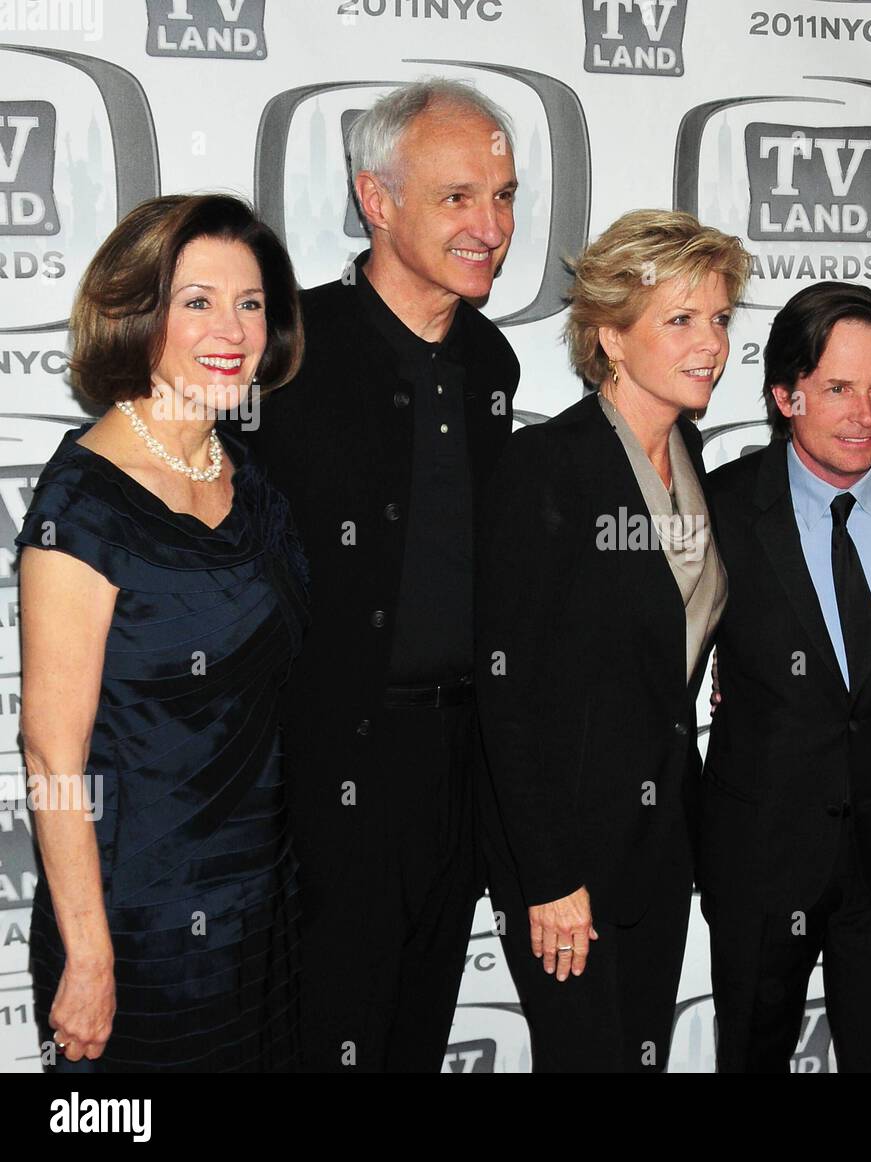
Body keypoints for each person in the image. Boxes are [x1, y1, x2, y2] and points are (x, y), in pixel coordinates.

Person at [245, 78, 520, 1072]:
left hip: (458, 771)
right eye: (458, 197)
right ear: (376, 199)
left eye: (503, 195)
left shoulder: (493, 365)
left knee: (417, 1032)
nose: (491, 226)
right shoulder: (285, 354)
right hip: (324, 776)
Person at [17, 193, 306, 1072]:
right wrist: (89, 957)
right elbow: (51, 756)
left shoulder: (248, 480)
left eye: (250, 303)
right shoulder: (84, 503)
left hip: (260, 910)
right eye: (198, 301)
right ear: (139, 315)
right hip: (135, 927)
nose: (232, 329)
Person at [475, 209, 749, 1072]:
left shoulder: (691, 452)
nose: (711, 344)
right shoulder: (546, 466)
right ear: (612, 338)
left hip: (660, 839)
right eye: (681, 319)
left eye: (719, 318)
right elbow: (505, 692)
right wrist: (550, 877)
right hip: (566, 849)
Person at [698, 281, 871, 1072]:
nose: (865, 415)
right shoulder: (721, 508)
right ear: (785, 396)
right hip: (760, 851)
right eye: (838, 389)